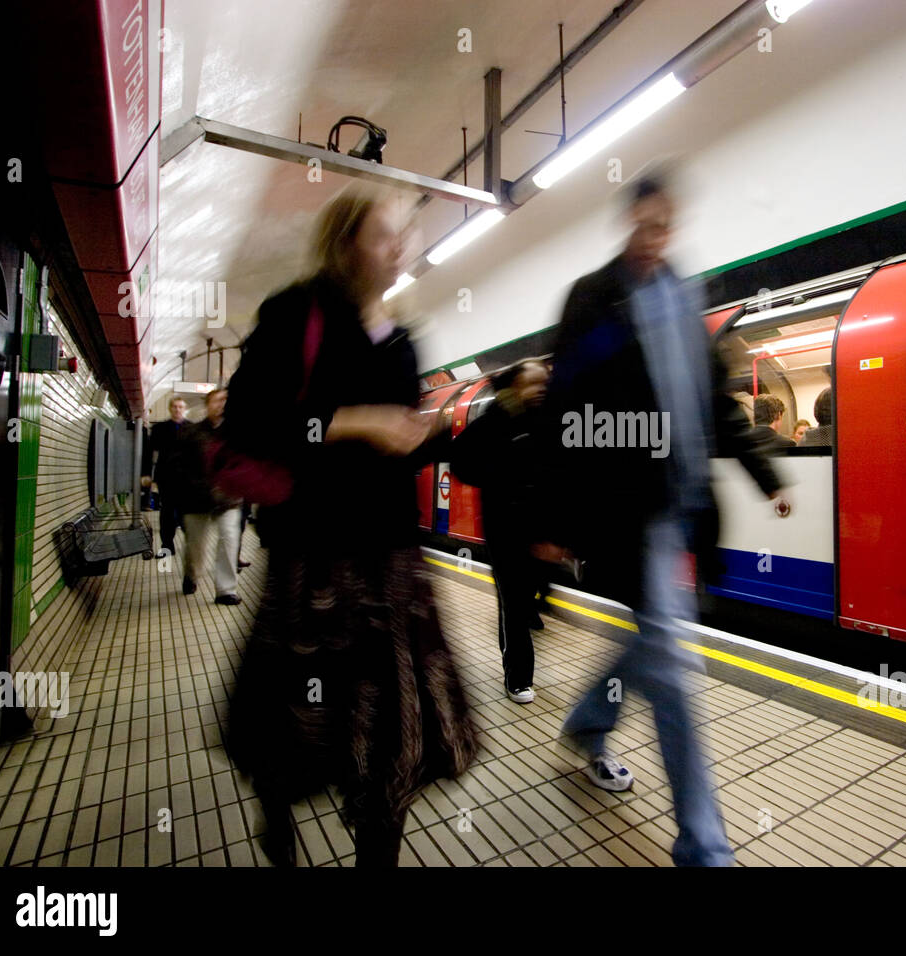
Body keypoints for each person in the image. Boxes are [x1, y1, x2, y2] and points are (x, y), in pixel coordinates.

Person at [535, 163, 786, 867]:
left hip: (685, 507)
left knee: (653, 646)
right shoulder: (595, 299)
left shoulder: (684, 297)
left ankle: (589, 721)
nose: (656, 237)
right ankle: (704, 847)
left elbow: (708, 404)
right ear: (628, 223)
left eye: (667, 225)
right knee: (673, 663)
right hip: (628, 509)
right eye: (645, 226)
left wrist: (764, 472)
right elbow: (564, 413)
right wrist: (553, 514)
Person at [222, 184, 477, 867]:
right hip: (312, 558)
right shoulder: (294, 316)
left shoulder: (402, 342)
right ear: (344, 246)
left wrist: (431, 435)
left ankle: (376, 840)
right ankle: (276, 807)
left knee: (394, 735)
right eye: (382, 235)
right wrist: (354, 420)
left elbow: (399, 444)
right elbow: (251, 424)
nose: (399, 247)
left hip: (391, 562)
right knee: (297, 723)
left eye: (404, 235)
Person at [450, 359, 551, 704]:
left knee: (524, 597)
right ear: (514, 387)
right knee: (512, 602)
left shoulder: (547, 421)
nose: (541, 390)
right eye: (533, 383)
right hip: (505, 529)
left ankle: (531, 609)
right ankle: (518, 678)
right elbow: (461, 463)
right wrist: (499, 482)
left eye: (544, 383)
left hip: (540, 530)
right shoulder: (492, 424)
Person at [176, 387, 243, 604]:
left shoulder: (237, 433)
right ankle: (191, 574)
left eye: (226, 400)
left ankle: (226, 590)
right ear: (207, 405)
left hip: (228, 499)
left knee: (229, 538)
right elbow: (180, 466)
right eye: (217, 401)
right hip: (197, 500)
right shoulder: (192, 433)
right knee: (196, 546)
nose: (221, 405)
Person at [140, 395, 188, 559]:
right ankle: (167, 547)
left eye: (180, 407)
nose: (177, 409)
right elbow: (149, 453)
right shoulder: (160, 429)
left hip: (187, 479)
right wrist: (146, 474)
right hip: (166, 477)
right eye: (175, 406)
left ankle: (191, 546)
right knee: (166, 513)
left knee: (186, 512)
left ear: (184, 409)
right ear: (170, 408)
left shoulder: (192, 428)